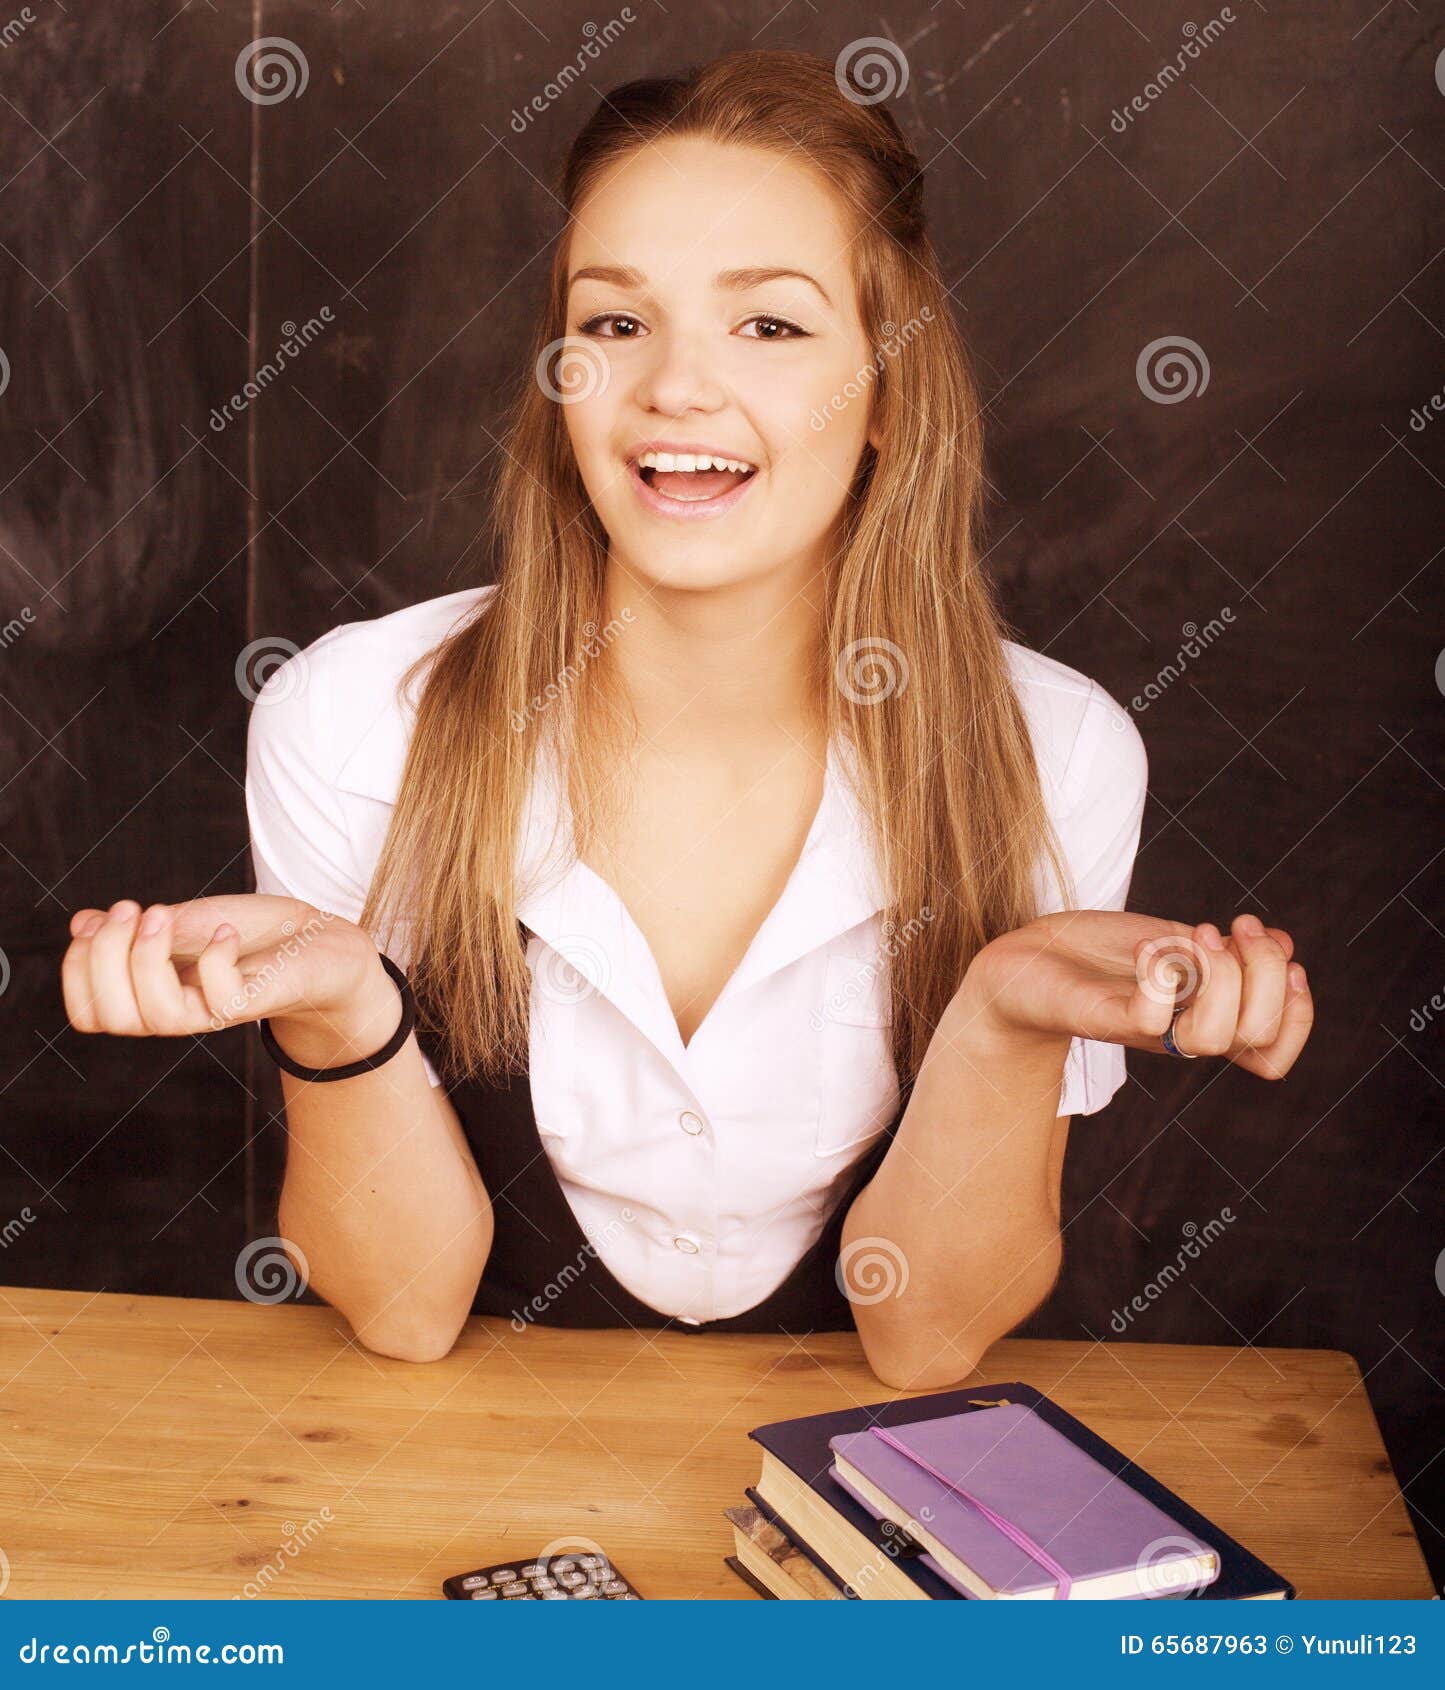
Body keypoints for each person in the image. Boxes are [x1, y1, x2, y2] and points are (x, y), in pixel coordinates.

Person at [59, 50, 1312, 1387]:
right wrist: (332, 1010)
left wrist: (1003, 1016)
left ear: (885, 390)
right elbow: (406, 1307)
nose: (673, 388)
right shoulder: (353, 719)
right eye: (614, 324)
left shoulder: (1054, 752)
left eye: (767, 326)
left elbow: (925, 1332)